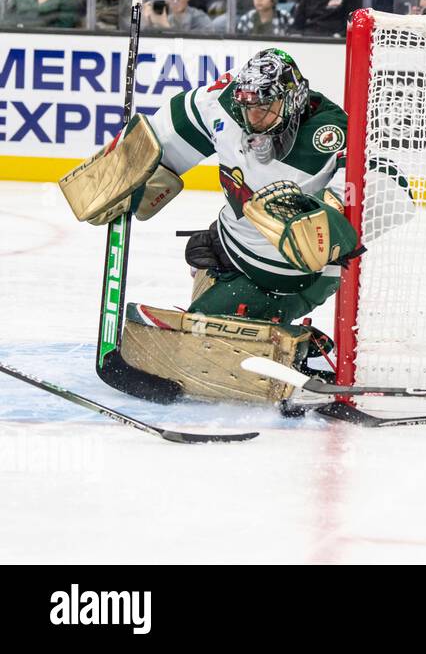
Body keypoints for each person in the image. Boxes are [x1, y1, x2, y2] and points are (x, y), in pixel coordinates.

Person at [58, 49, 357, 405]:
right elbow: (164, 140)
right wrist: (129, 170)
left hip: (293, 272)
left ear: (292, 100)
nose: (253, 118)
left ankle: (298, 344)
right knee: (203, 308)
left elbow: (383, 189)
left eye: (265, 109)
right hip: (232, 242)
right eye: (248, 108)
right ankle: (250, 315)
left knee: (200, 346)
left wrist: (330, 219)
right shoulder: (226, 101)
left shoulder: (333, 133)